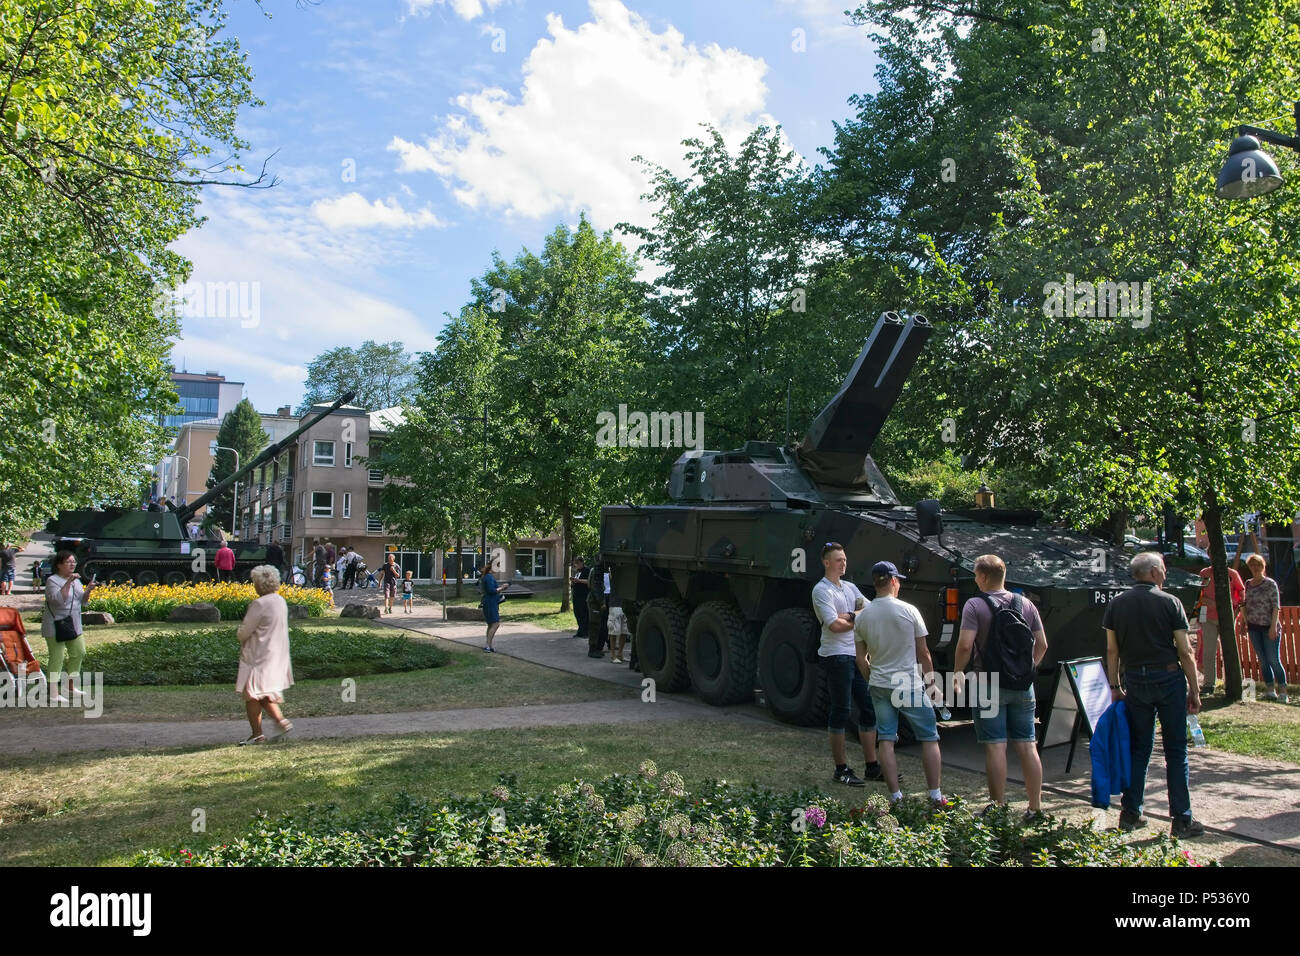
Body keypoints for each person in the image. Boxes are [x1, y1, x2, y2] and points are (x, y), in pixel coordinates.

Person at [1104, 552, 1205, 838]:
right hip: (1169, 677)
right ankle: (1182, 819)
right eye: (1162, 569)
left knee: (1139, 747)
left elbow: (1112, 650)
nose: (1165, 574)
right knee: (1175, 750)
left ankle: (1131, 812)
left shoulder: (1117, 604)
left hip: (1135, 679)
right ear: (1154, 572)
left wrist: (1115, 686)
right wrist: (1194, 689)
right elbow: (1185, 650)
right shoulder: (1170, 602)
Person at [953, 554, 1048, 818]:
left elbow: (964, 645)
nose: (974, 579)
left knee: (996, 745)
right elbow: (1042, 645)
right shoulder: (1026, 603)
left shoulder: (974, 605)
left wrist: (958, 673)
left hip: (987, 683)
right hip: (1023, 685)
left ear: (983, 577)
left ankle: (997, 808)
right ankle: (1035, 808)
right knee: (1028, 745)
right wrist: (1026, 670)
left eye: (975, 574)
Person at [855, 560, 948, 808]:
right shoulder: (909, 610)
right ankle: (935, 795)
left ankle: (895, 797)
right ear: (894, 581)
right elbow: (924, 652)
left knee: (886, 739)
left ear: (876, 583)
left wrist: (871, 679)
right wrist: (931, 683)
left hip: (879, 684)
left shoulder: (863, 617)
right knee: (929, 738)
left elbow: (860, 659)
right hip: (907, 683)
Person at [811, 542, 880, 786]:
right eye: (838, 560)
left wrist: (849, 616)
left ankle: (872, 766)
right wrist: (854, 617)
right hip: (836, 656)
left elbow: (870, 613)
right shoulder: (822, 590)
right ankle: (841, 769)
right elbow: (834, 625)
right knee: (841, 710)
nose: (843, 563)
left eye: (845, 559)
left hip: (857, 655)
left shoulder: (850, 588)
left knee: (868, 708)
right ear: (826, 562)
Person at [235, 565, 294, 745]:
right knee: (264, 692)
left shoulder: (259, 604)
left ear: (258, 585)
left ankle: (265, 729)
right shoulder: (280, 601)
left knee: (253, 693)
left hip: (258, 655)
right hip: (277, 654)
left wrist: (239, 632)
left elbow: (244, 632)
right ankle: (272, 726)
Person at [42, 550, 97, 703]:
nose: (72, 564)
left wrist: (88, 591)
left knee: (79, 653)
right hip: (55, 625)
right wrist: (67, 583)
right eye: (68, 562)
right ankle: (53, 693)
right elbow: (58, 601)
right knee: (57, 657)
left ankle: (70, 686)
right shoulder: (52, 580)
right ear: (59, 565)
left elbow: (81, 602)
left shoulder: (77, 581)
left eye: (74, 561)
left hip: (73, 624)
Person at [1196, 559, 1245, 696]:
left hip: (1226, 617)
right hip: (1208, 617)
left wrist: (1231, 605)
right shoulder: (1204, 573)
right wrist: (1207, 602)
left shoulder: (1232, 574)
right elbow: (1198, 593)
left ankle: (1231, 683)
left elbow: (1241, 593)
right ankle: (1209, 684)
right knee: (1208, 651)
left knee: (1229, 650)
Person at [1242, 553, 1287, 702]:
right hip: (1254, 627)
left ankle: (1283, 691)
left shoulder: (1270, 583)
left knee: (1273, 659)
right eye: (1252, 565)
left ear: (1263, 567)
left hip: (1269, 626)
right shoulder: (1248, 584)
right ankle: (1270, 689)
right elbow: (1245, 605)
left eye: (1258, 565)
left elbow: (1276, 607)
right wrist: (1244, 623)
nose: (1255, 568)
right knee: (1262, 660)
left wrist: (1273, 627)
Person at [480, 560, 508, 652]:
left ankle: (489, 645)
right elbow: (491, 590)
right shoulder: (489, 577)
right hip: (490, 603)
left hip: (489, 602)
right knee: (496, 623)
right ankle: (487, 645)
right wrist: (502, 587)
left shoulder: (487, 577)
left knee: (491, 624)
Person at [586, 562, 610, 659]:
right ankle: (592, 650)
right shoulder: (596, 571)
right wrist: (602, 602)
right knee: (594, 625)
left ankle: (595, 649)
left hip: (595, 601)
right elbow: (595, 588)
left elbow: (589, 584)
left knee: (597, 625)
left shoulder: (595, 570)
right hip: (595, 602)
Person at [571, 555, 591, 640]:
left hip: (583, 596)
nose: (576, 565)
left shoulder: (587, 570)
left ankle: (585, 632)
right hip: (576, 595)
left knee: (584, 614)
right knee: (577, 613)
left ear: (582, 562)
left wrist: (579, 581)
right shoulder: (577, 571)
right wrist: (573, 582)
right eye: (575, 563)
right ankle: (580, 630)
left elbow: (589, 581)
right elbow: (576, 581)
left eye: (578, 563)